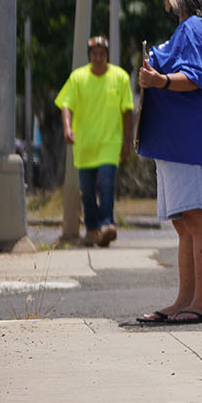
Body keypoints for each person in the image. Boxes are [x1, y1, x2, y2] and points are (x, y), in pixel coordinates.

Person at [132, 0, 202, 327]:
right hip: (186, 141)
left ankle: (200, 303)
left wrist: (160, 82)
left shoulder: (193, 27)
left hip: (191, 141)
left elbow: (192, 77)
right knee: (185, 221)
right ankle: (185, 299)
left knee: (196, 218)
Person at [55, 36, 135, 247]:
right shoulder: (77, 78)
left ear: (107, 56)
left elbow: (128, 111)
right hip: (85, 145)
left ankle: (107, 224)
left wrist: (127, 142)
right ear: (89, 56)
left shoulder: (120, 77)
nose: (98, 58)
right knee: (88, 192)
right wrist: (67, 128)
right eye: (94, 54)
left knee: (107, 185)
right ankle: (92, 229)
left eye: (102, 54)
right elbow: (66, 105)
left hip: (110, 143)